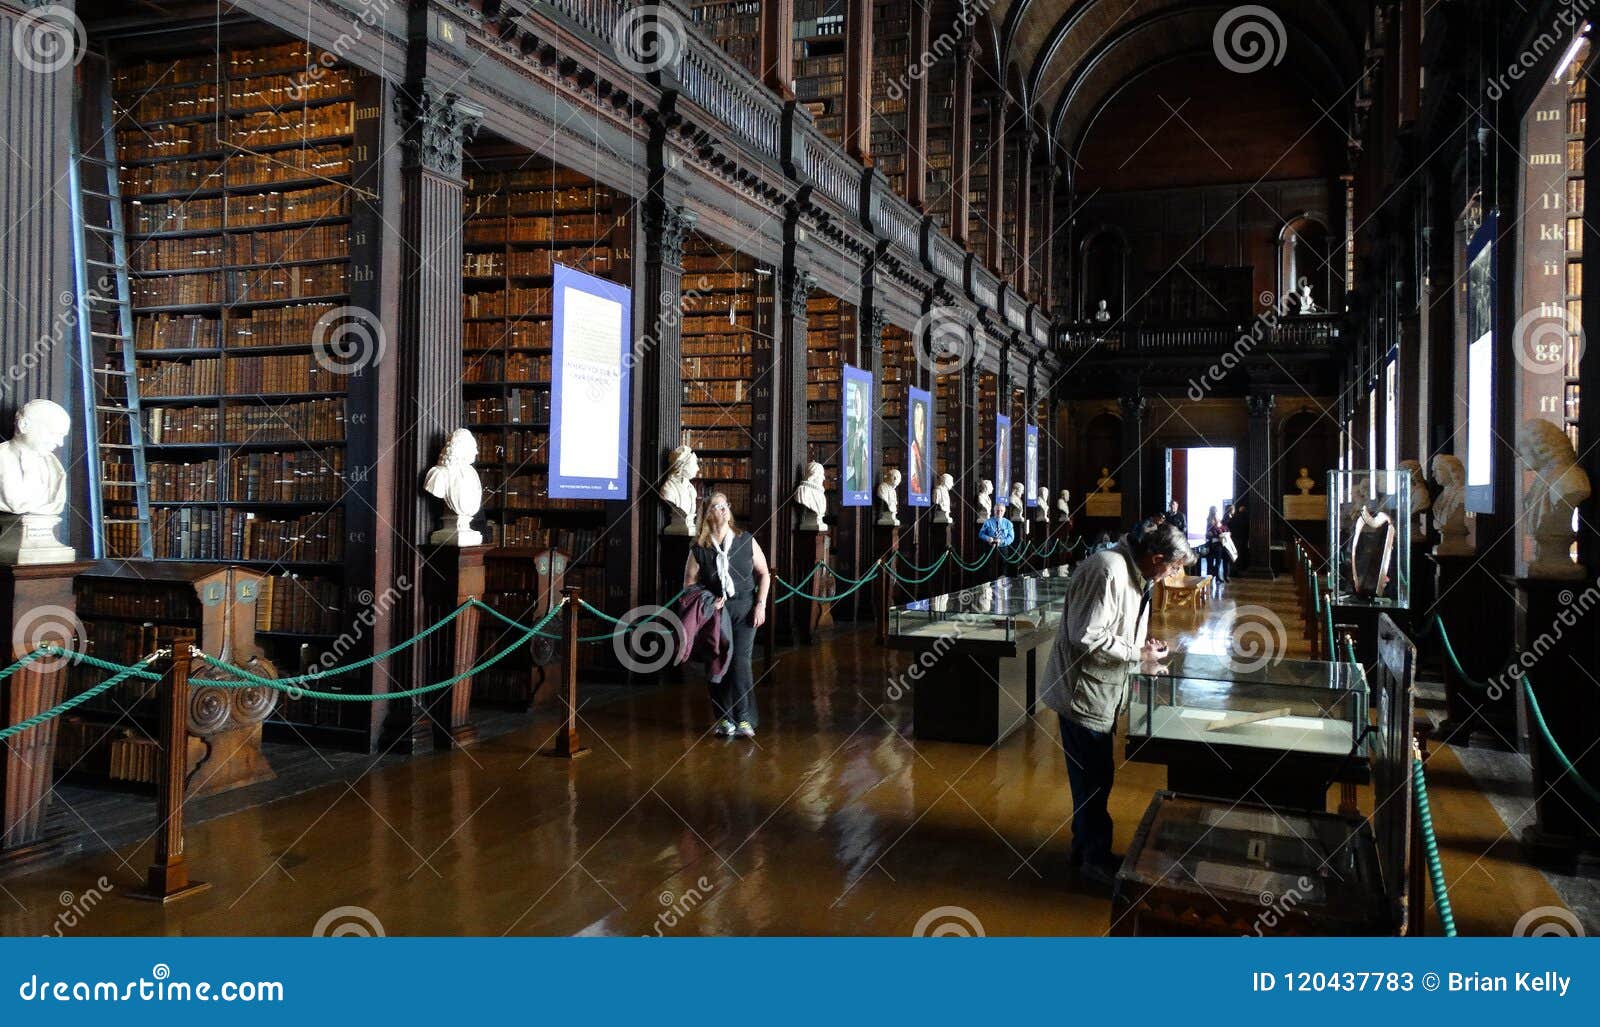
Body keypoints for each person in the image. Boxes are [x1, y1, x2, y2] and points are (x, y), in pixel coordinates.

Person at [1038, 519, 1194, 886]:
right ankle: (1094, 859)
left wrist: (1145, 646)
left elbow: (1114, 626)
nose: (1172, 575)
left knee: (1094, 777)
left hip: (1102, 692)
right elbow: (1086, 635)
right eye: (1172, 567)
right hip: (1083, 695)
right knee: (1094, 780)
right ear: (1156, 558)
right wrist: (1136, 653)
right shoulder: (1107, 569)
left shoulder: (1133, 571)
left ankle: (1085, 851)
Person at [682, 491, 771, 739]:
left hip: (745, 610)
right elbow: (688, 585)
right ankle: (724, 718)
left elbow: (764, 573)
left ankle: (744, 718)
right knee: (718, 663)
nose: (721, 511)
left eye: (724, 506)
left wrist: (761, 605)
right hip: (716, 614)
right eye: (715, 507)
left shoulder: (746, 540)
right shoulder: (699, 548)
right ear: (706, 514)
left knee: (741, 664)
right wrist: (708, 599)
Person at [1205, 505, 1232, 583]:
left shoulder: (1214, 520)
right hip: (1216, 544)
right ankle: (1217, 577)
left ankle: (1217, 577)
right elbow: (1210, 533)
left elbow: (1224, 528)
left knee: (1217, 562)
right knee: (1218, 562)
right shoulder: (1211, 521)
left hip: (1217, 543)